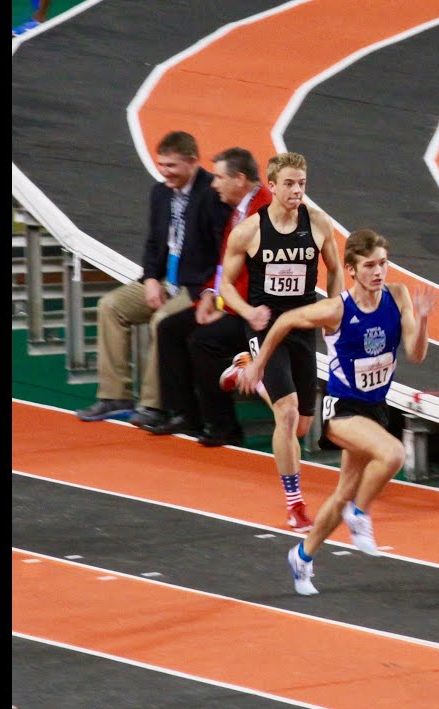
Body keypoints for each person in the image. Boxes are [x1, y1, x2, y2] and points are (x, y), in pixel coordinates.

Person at [236, 229, 437, 595]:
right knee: (393, 454)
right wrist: (258, 365)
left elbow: (417, 354)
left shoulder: (398, 296)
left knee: (342, 491)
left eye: (383, 264)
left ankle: (303, 555)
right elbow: (283, 322)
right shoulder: (336, 309)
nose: (379, 272)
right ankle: (360, 515)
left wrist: (422, 321)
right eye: (370, 266)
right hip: (342, 410)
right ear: (351, 269)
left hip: (376, 409)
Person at [216, 152, 343, 532]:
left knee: (303, 425)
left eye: (301, 183)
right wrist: (246, 311)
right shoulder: (249, 232)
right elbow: (225, 285)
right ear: (271, 186)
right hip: (265, 327)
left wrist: (333, 311)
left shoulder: (318, 224)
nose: (296, 190)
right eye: (289, 183)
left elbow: (335, 270)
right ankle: (295, 503)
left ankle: (244, 369)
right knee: (286, 414)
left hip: (302, 327)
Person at [75, 131, 230, 428]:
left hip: (197, 286)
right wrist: (149, 279)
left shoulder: (213, 195)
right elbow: (153, 244)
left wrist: (211, 291)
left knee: (163, 321)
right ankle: (115, 395)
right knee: (110, 306)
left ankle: (153, 404)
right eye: (161, 164)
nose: (164, 171)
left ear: (192, 162)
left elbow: (223, 251)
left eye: (171, 166)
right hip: (163, 281)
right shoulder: (160, 193)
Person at [145, 147, 272, 447]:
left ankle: (225, 425)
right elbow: (224, 262)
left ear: (240, 179)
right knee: (170, 329)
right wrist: (210, 295)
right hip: (229, 303)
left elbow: (260, 275)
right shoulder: (239, 209)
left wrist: (230, 308)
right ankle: (186, 414)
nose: (213, 184)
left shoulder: (265, 211)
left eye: (219, 178)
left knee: (204, 341)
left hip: (256, 312)